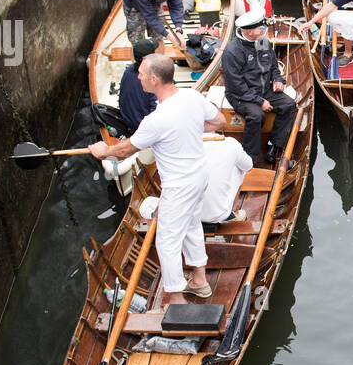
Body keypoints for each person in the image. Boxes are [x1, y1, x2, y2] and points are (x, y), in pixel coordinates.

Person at [89, 54, 226, 306]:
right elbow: (219, 121)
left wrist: (103, 151)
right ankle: (199, 281)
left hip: (179, 185)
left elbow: (125, 150)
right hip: (198, 176)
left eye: (140, 73)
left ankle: (175, 298)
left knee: (167, 239)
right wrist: (193, 127)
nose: (137, 77)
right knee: (192, 224)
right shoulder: (192, 96)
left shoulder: (155, 121)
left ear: (154, 79)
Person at [222, 9, 298, 165]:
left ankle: (274, 145)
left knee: (289, 105)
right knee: (256, 116)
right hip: (242, 95)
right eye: (262, 29)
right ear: (250, 32)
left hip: (264, 89)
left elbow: (273, 65)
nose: (265, 31)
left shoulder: (262, 41)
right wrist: (259, 101)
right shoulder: (232, 51)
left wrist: (278, 79)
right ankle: (251, 157)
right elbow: (235, 85)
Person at [120, 0, 185, 50]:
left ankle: (159, 62)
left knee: (158, 35)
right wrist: (171, 38)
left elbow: (176, 6)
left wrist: (178, 29)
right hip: (134, 4)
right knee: (137, 40)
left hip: (155, 0)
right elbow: (150, 16)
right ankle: (139, 61)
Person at [200, 137, 254, 225]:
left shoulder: (183, 143)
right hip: (218, 215)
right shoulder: (231, 143)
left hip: (185, 214)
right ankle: (233, 212)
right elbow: (248, 166)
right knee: (240, 168)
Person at [118, 38, 159, 133]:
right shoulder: (151, 80)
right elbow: (156, 111)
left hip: (129, 121)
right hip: (142, 127)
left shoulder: (128, 71)